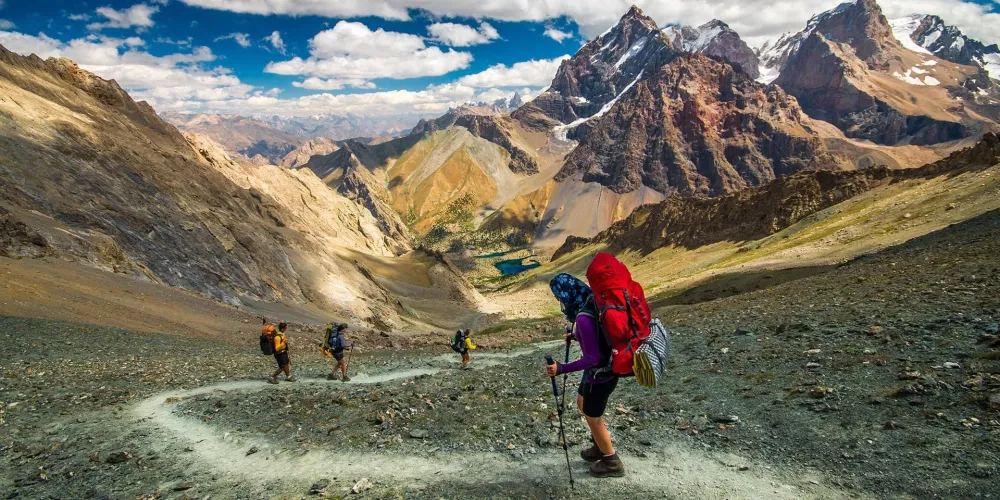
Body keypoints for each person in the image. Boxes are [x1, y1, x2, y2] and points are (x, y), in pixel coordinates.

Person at [545, 273, 625, 478]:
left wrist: (561, 368)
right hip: (603, 369)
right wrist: (576, 335)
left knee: (593, 416)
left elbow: (591, 358)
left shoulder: (583, 317)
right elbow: (596, 335)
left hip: (600, 374)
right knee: (582, 403)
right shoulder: (591, 303)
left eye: (560, 297)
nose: (561, 302)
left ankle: (611, 461)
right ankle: (600, 445)